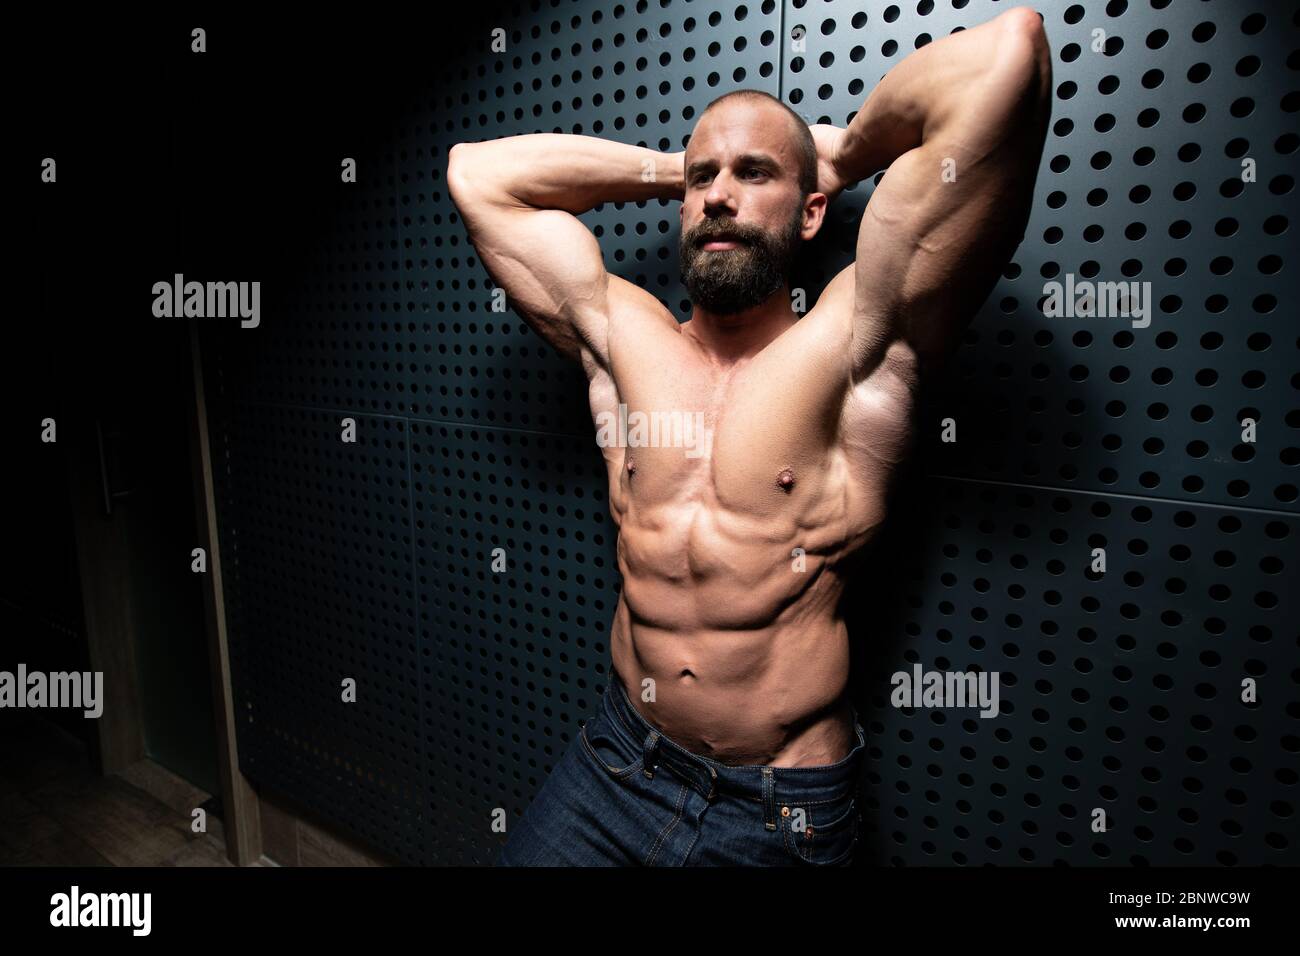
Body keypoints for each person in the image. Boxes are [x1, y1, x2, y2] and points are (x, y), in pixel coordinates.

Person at [448, 6, 1051, 865]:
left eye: (753, 173)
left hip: (778, 809)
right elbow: (479, 175)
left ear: (812, 213)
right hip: (615, 765)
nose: (719, 195)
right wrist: (678, 174)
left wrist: (839, 154)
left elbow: (1009, 53)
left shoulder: (856, 344)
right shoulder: (623, 339)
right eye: (705, 179)